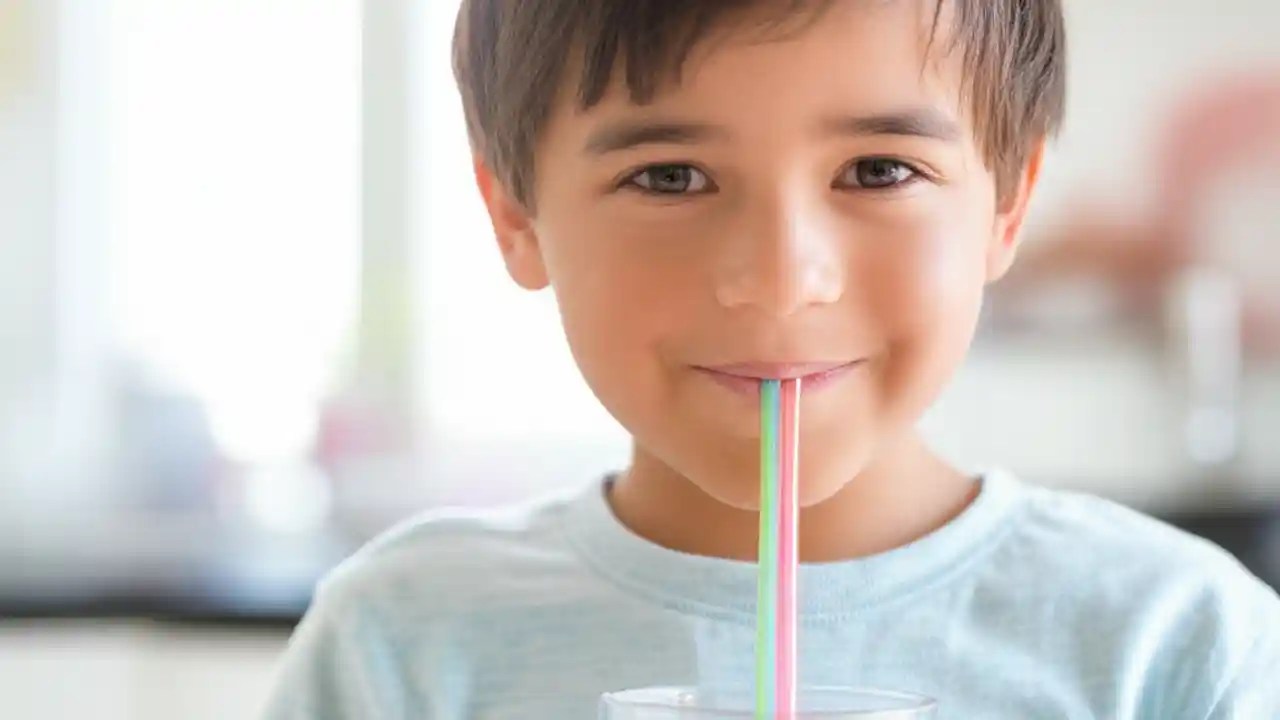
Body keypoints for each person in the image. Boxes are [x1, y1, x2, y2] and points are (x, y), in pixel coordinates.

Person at [262, 2, 1280, 717]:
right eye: (669, 176)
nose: (780, 277)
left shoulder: (1175, 647)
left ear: (1006, 205)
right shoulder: (399, 645)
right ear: (515, 215)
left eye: (877, 170)